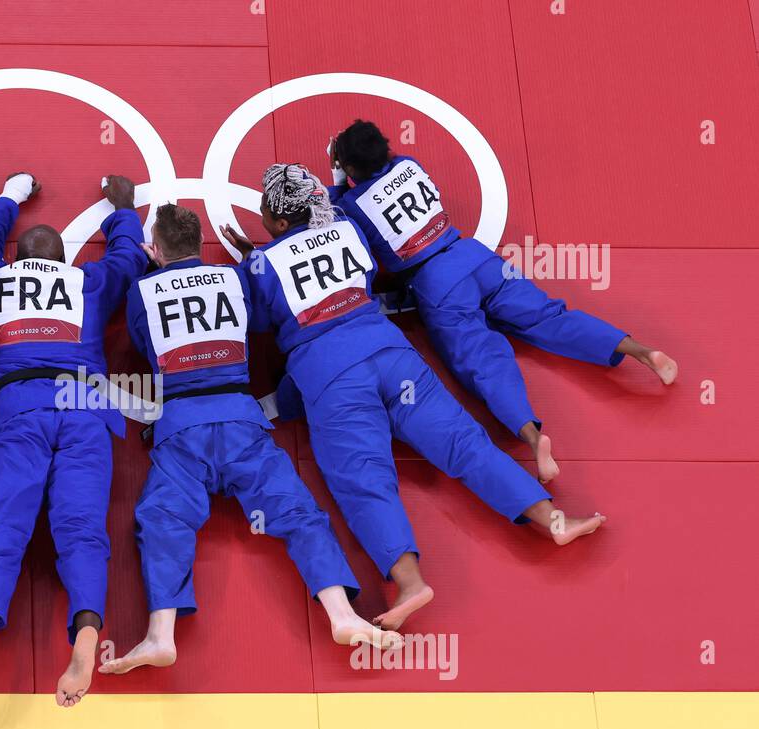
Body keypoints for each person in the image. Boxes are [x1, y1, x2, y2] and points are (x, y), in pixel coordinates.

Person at [222, 163, 606, 632]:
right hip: (389, 353)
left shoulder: (262, 264)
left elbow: (259, 321)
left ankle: (411, 583)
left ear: (279, 223)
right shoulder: (345, 230)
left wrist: (250, 258)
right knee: (466, 443)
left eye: (264, 211)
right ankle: (552, 518)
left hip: (331, 374)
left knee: (363, 481)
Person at [99, 204, 402, 677]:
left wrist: (154, 273)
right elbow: (257, 322)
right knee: (298, 513)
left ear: (155, 249)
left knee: (161, 520)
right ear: (199, 244)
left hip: (182, 426)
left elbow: (144, 342)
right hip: (242, 418)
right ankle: (342, 614)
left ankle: (161, 633)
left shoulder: (142, 289)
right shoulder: (234, 278)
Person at [0, 172, 147, 729]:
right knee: (85, 530)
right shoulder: (88, 283)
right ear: (64, 261)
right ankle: (87, 632)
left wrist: (8, 197)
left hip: (19, 407)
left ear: (19, 258)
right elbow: (129, 257)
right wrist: (122, 207)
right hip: (82, 401)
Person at [327, 122, 677, 481]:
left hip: (439, 283)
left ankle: (534, 437)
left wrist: (339, 179)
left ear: (351, 168)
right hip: (477, 258)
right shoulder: (410, 166)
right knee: (551, 317)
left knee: (485, 362)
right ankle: (642, 351)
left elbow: (334, 219)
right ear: (386, 150)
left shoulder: (352, 205)